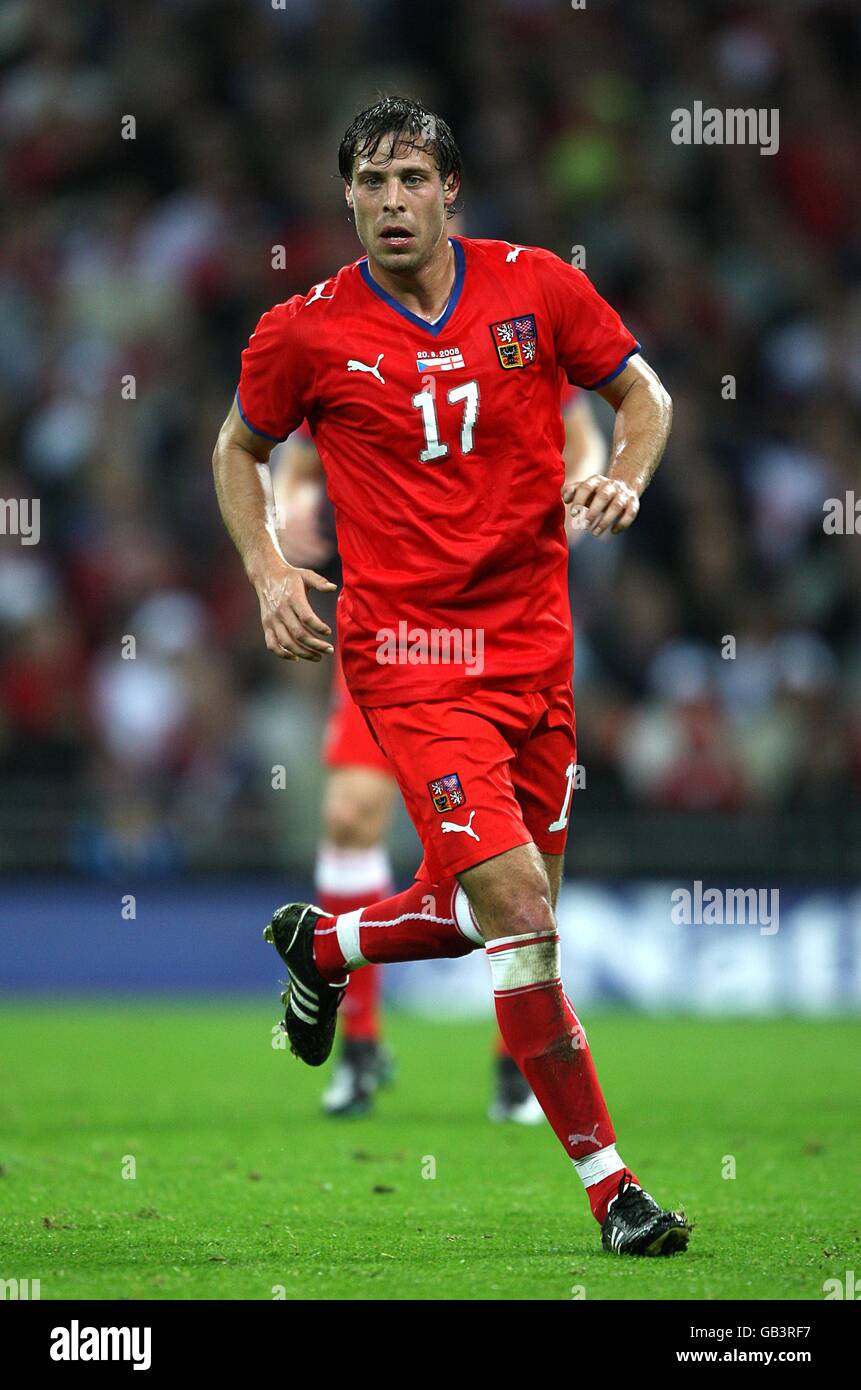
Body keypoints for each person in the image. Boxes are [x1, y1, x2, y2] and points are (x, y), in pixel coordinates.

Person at [213, 96, 689, 1256]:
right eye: (369, 183)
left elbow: (645, 394)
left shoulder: (536, 288)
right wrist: (270, 567)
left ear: (450, 190)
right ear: (346, 200)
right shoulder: (303, 330)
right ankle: (612, 1188)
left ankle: (323, 946)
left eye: (410, 180)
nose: (389, 202)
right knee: (520, 909)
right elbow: (239, 447)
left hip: (537, 651)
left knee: (492, 915)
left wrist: (624, 475)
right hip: (412, 661)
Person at [273, 388, 606, 1120]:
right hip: (395, 635)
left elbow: (581, 430)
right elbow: (290, 454)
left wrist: (581, 497)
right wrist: (288, 511)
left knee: (513, 867)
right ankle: (359, 1048)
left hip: (505, 635)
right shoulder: (351, 338)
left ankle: (513, 1060)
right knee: (350, 814)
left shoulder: (512, 316)